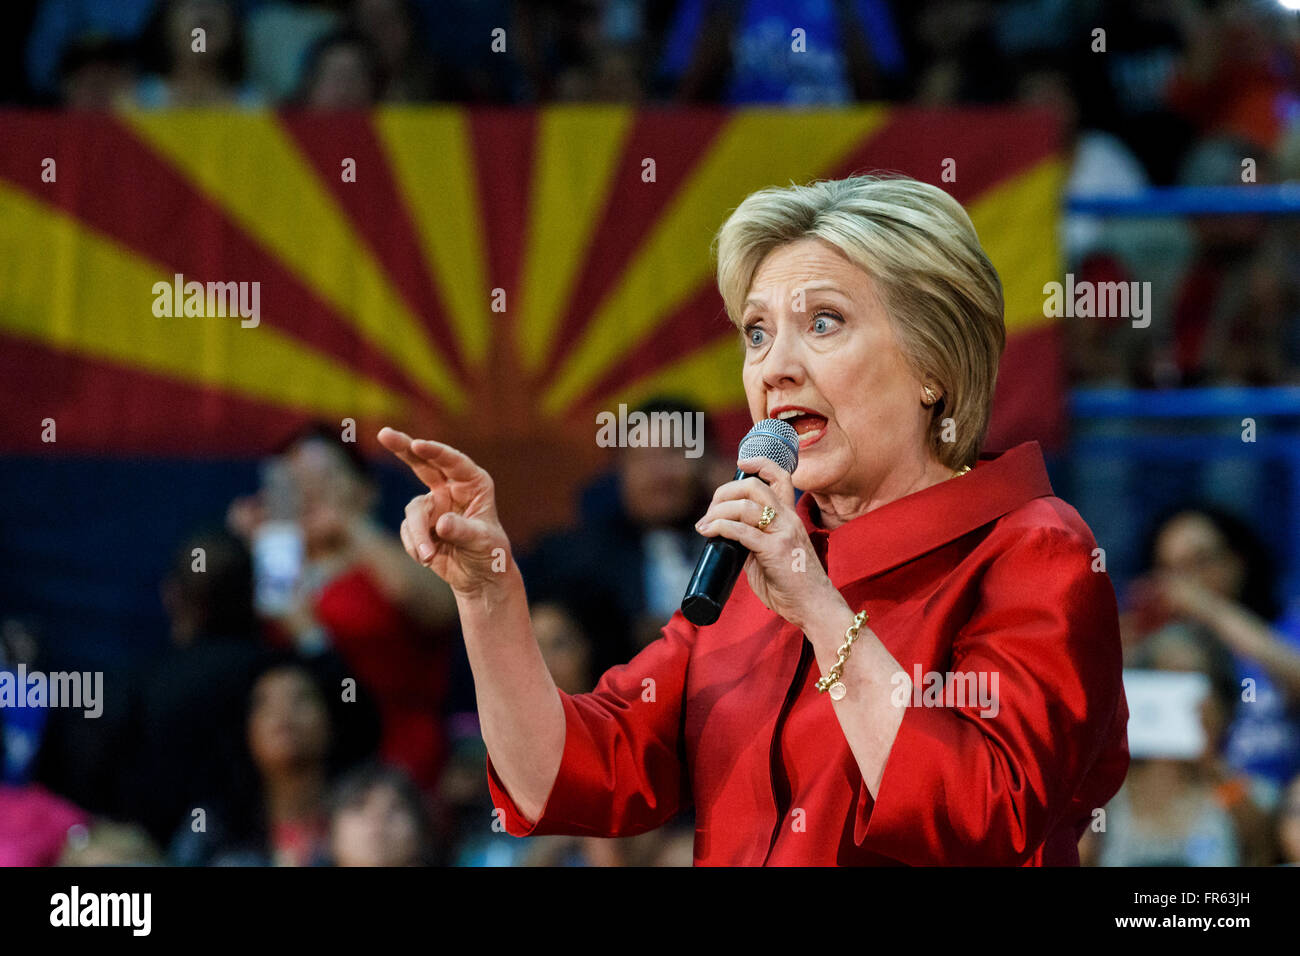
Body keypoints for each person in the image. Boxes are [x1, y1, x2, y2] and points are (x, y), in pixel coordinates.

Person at [378, 173, 1131, 866]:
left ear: (934, 364)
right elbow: (572, 776)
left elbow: (985, 814)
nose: (774, 368)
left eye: (824, 323)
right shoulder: (757, 555)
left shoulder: (1035, 549)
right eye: (757, 332)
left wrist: (819, 609)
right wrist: (487, 597)